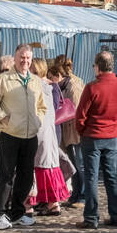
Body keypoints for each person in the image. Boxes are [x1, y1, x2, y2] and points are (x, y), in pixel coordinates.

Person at [0, 45, 46, 230]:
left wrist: (37, 121)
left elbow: (42, 106)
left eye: (28, 58)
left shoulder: (35, 81)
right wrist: (5, 118)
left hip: (30, 135)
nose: (25, 61)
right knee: (7, 175)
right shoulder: (4, 79)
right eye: (21, 57)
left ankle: (17, 212)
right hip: (11, 134)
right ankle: (0, 213)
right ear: (15, 57)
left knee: (26, 176)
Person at [74, 51, 117, 229]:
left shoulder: (92, 87)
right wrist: (116, 127)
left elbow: (80, 115)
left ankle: (91, 217)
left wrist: (83, 131)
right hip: (111, 136)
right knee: (112, 176)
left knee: (91, 176)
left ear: (97, 66)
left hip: (92, 136)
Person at [31, 58, 70, 213]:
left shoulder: (47, 86)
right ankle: (49, 202)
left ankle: (49, 202)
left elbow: (49, 108)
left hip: (44, 130)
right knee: (45, 164)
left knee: (43, 165)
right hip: (46, 131)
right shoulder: (50, 86)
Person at [55, 56, 86, 206]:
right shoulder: (66, 84)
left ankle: (82, 196)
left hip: (75, 131)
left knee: (79, 164)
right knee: (74, 164)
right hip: (69, 130)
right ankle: (76, 194)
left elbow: (76, 108)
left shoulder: (73, 85)